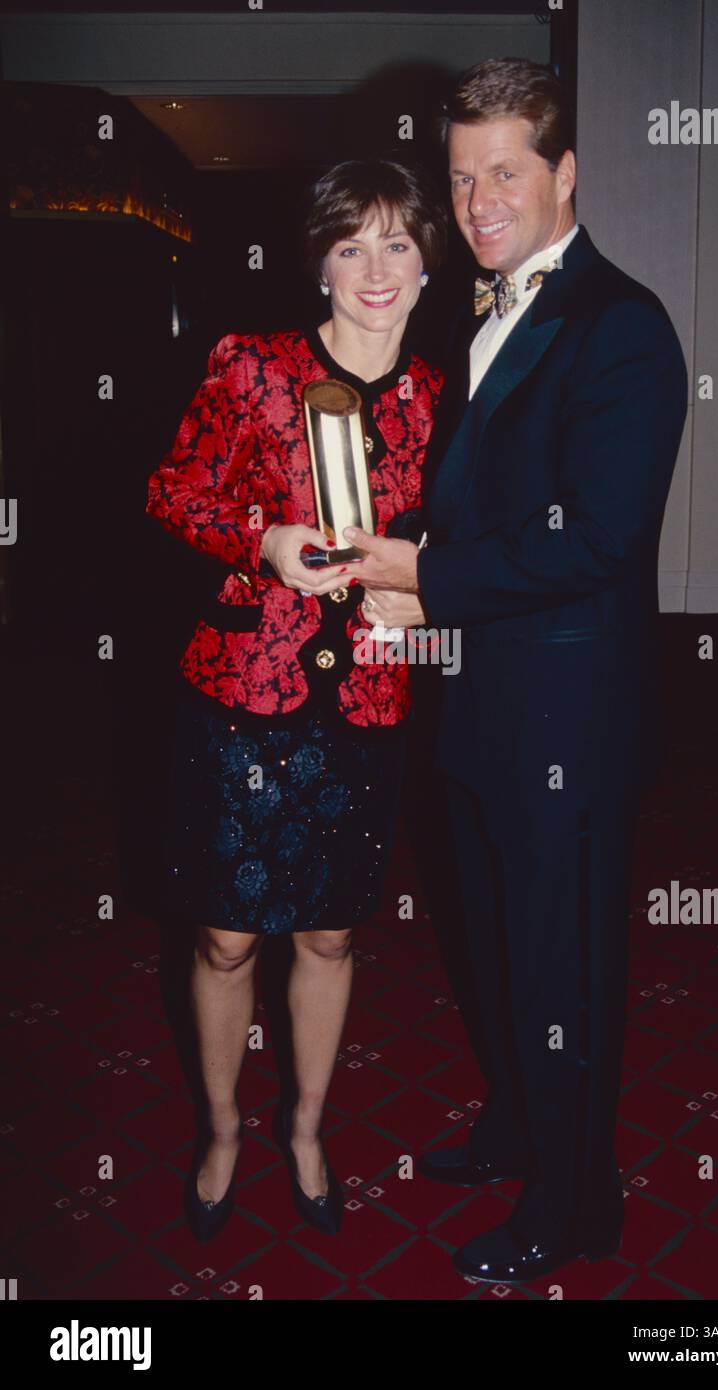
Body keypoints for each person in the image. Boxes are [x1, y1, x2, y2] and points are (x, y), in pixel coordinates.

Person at [342, 59, 688, 1284]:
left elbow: (596, 538)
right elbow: (472, 514)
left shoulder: (625, 327)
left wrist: (424, 576)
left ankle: (579, 1200)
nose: (480, 198)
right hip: (477, 703)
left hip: (570, 721)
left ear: (564, 173)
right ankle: (516, 1124)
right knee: (489, 945)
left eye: (505, 171)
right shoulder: (477, 315)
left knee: (563, 964)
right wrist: (401, 597)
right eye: (461, 176)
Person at [145, 158, 445, 1241]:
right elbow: (171, 489)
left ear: (426, 266)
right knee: (225, 939)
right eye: (353, 244)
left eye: (400, 245)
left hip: (365, 704)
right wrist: (260, 539)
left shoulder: (442, 399)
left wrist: (424, 599)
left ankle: (308, 1126)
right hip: (241, 696)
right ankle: (223, 1129)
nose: (377, 269)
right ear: (318, 258)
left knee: (327, 939)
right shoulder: (252, 368)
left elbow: (466, 551)